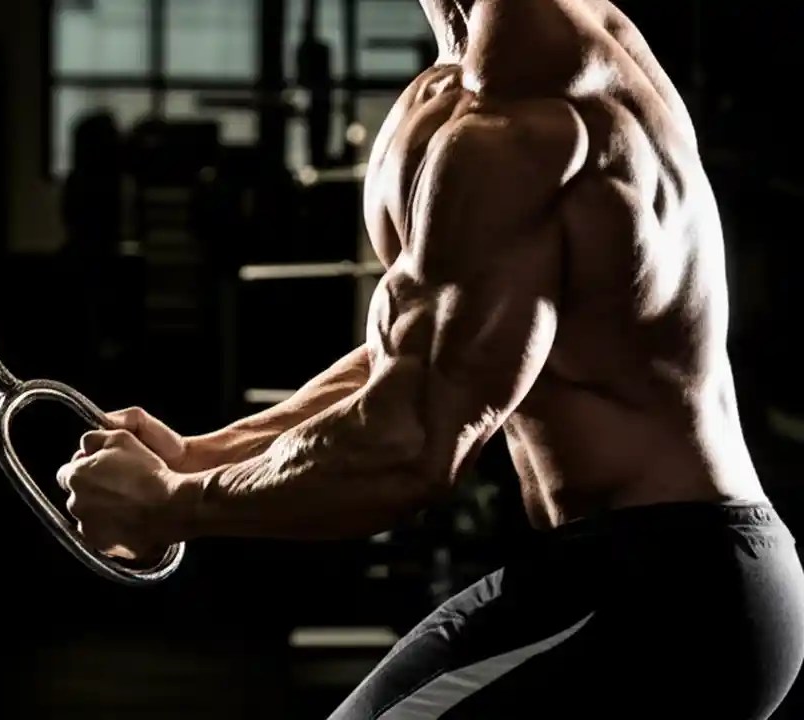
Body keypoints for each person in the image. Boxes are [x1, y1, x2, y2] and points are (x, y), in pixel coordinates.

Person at [56, 0, 804, 716]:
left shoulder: (529, 111)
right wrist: (195, 456)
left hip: (669, 593)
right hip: (593, 571)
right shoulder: (455, 89)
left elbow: (407, 445)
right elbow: (411, 357)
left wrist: (172, 504)